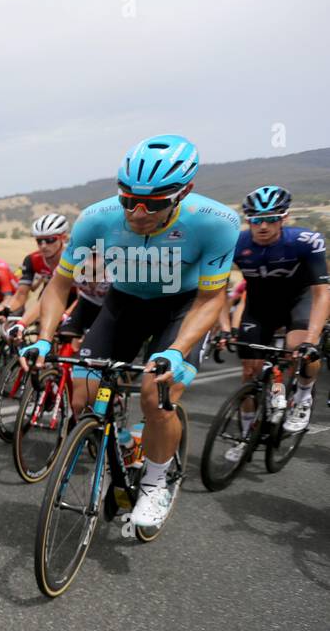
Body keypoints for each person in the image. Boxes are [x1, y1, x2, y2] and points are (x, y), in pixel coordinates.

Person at [24, 135, 241, 528]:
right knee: (83, 395)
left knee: (156, 397)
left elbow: (211, 300)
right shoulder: (97, 218)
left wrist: (176, 350)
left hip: (181, 309)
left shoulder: (217, 222)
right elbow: (58, 286)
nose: (137, 213)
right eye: (128, 199)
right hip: (123, 305)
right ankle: (113, 445)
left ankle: (157, 482)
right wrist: (42, 338)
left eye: (154, 204)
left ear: (185, 192)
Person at [217, 186, 328, 438]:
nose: (263, 226)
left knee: (299, 350)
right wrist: (224, 328)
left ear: (284, 218)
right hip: (259, 308)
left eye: (271, 219)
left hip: (299, 303)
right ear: (248, 220)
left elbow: (322, 293)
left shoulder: (305, 242)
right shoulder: (235, 243)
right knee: (250, 372)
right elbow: (218, 290)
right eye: (256, 219)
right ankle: (247, 432)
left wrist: (312, 340)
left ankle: (302, 395)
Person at [0, 213, 69, 320]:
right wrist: (5, 311)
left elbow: (84, 297)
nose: (43, 246)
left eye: (50, 240)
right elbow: (21, 294)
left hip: (75, 298)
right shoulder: (32, 260)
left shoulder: (74, 258)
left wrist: (67, 315)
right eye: (39, 241)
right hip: (48, 296)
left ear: (63, 238)